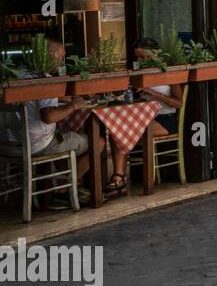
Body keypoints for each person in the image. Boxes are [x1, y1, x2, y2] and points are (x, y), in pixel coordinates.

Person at [0, 38, 92, 197]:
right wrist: (73, 106)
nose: (62, 62)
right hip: (37, 146)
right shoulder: (46, 80)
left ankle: (61, 185)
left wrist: (59, 99)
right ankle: (67, 189)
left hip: (8, 145)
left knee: (63, 138)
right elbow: (49, 117)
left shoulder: (16, 76)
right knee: (97, 143)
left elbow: (30, 102)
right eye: (60, 57)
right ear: (49, 57)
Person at [104, 37, 184, 196]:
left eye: (145, 57)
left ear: (155, 54)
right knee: (116, 133)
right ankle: (119, 177)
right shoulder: (138, 73)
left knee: (125, 134)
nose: (142, 61)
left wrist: (151, 92)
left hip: (164, 119)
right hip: (142, 118)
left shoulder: (168, 72)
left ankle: (126, 181)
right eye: (139, 57)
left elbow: (178, 103)